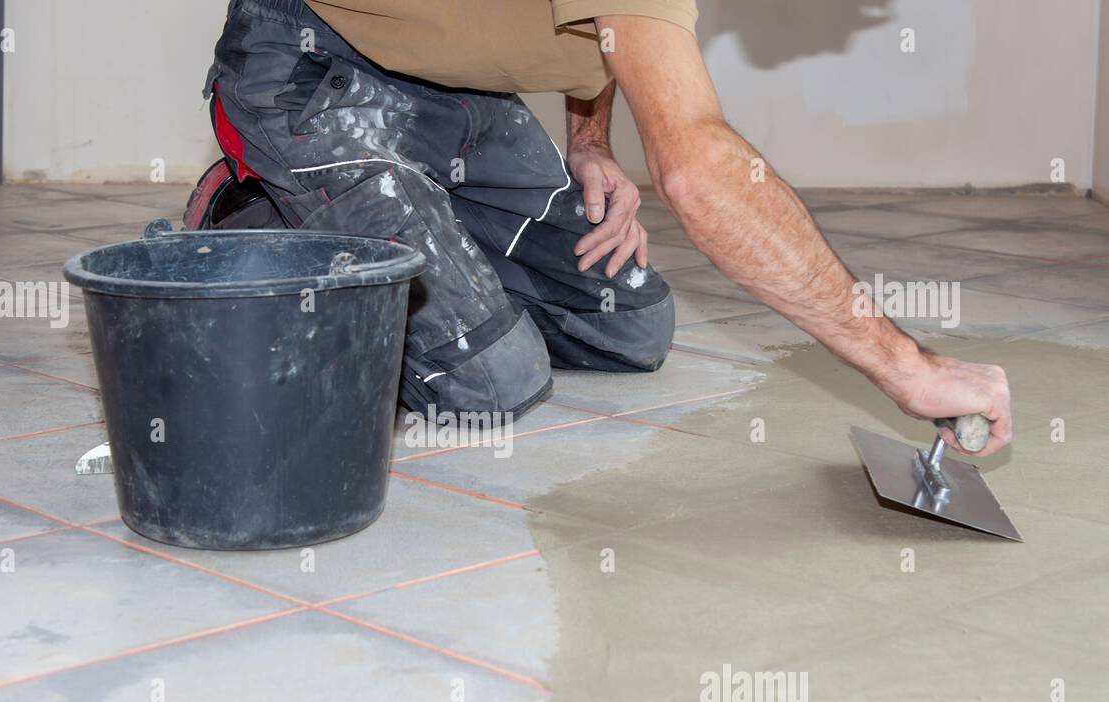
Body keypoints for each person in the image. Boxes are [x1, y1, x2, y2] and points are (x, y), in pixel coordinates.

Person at [187, 0, 1011, 455]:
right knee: (489, 385)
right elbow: (698, 172)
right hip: (312, 68)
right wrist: (903, 365)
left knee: (631, 322)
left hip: (457, 98)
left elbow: (600, 35)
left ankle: (418, 232)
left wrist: (589, 143)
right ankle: (251, 215)